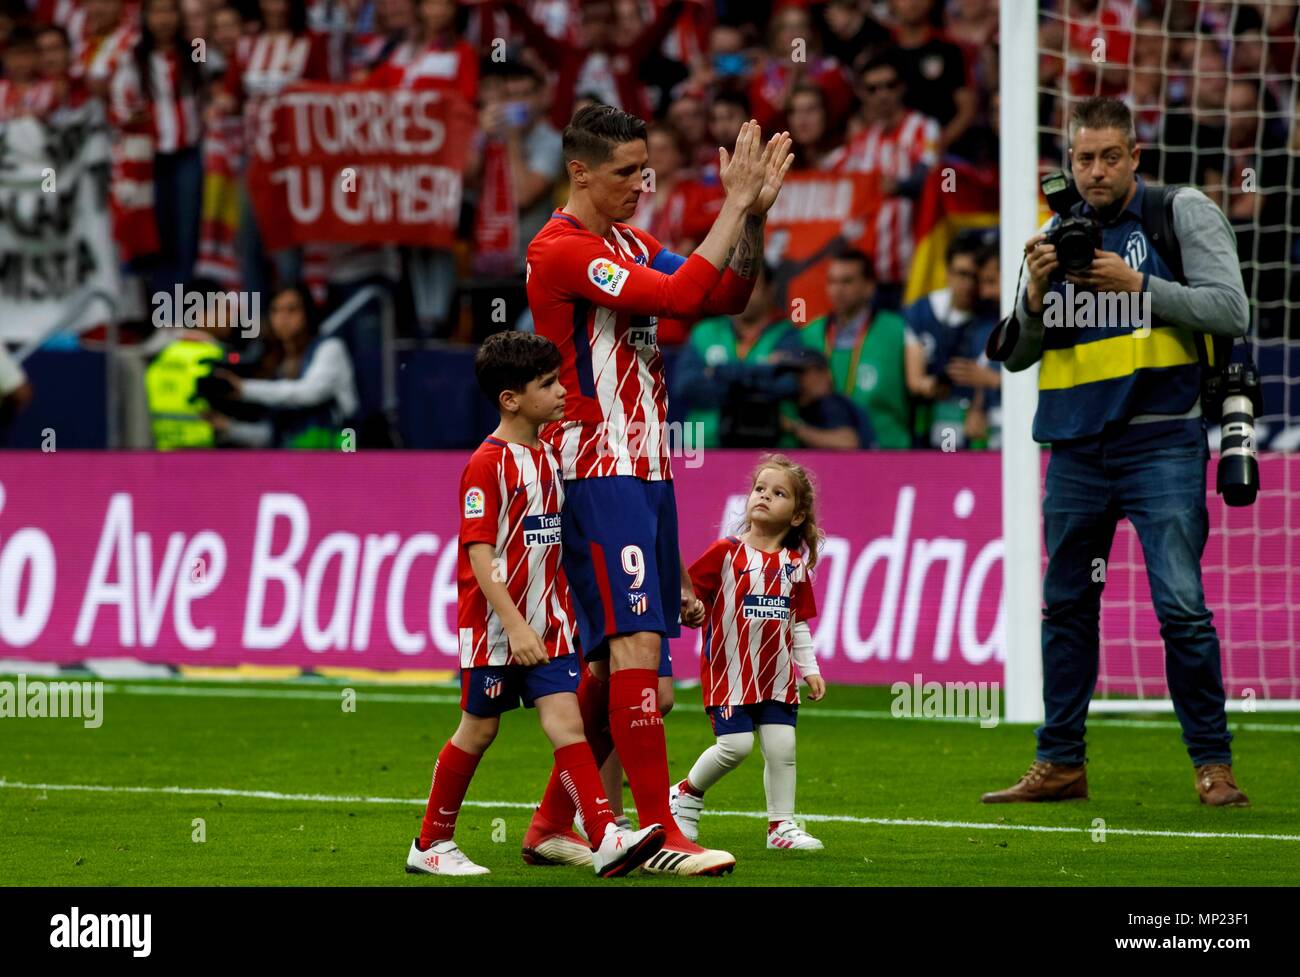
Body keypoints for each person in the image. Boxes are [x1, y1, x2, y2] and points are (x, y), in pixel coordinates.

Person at [523, 104, 794, 876]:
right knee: (636, 645)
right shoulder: (561, 250)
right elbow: (675, 302)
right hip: (593, 465)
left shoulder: (630, 243)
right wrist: (731, 202)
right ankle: (659, 834)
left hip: (649, 468)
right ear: (579, 172)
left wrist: (752, 223)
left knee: (632, 673)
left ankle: (549, 824)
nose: (640, 185)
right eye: (623, 174)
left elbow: (723, 297)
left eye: (646, 170)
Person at [983, 97, 1252, 807]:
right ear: (1068, 163)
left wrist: (1143, 288)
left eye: (1109, 156)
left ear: (1135, 156)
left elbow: (1232, 309)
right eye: (1082, 158)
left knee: (1181, 607)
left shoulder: (1177, 212)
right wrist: (1036, 294)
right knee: (1066, 606)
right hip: (1074, 446)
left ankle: (1213, 764)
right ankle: (1060, 762)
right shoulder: (1056, 234)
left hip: (1160, 437)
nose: (1095, 171)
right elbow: (1016, 356)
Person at [406, 331, 667, 877]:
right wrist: (514, 625)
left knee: (566, 722)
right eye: (547, 385)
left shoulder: (549, 454)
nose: (560, 391)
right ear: (511, 399)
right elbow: (479, 553)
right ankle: (431, 842)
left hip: (549, 628)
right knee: (479, 729)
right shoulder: (486, 464)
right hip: (498, 630)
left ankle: (604, 836)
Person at [670, 454, 827, 850]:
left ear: (795, 517)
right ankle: (686, 794)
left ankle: (781, 827)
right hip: (730, 675)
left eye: (778, 493)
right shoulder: (725, 552)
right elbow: (692, 599)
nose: (764, 497)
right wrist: (692, 610)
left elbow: (798, 623)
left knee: (782, 748)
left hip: (776, 678)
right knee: (735, 747)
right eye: (760, 489)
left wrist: (809, 669)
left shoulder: (795, 566)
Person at [209, 284, 358, 448]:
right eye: (276, 310)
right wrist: (230, 428)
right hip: (297, 463)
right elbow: (274, 435)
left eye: (292, 310)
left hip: (343, 449)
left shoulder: (330, 347)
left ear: (308, 313)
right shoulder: (275, 361)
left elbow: (308, 393)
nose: (283, 317)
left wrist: (243, 389)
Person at [799, 249, 911, 448]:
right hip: (826, 452)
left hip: (888, 452)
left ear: (869, 287)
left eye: (847, 281)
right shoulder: (809, 333)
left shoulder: (898, 331)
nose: (837, 290)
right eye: (832, 282)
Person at [903, 232, 997, 449]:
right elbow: (914, 379)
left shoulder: (993, 314)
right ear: (947, 271)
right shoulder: (922, 312)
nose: (968, 284)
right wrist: (930, 385)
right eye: (961, 274)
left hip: (982, 423)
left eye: (975, 276)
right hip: (934, 417)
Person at [780, 348, 875, 449]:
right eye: (790, 372)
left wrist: (793, 427)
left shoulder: (831, 404)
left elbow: (848, 442)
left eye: (801, 372)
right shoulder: (799, 404)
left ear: (824, 374)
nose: (795, 378)